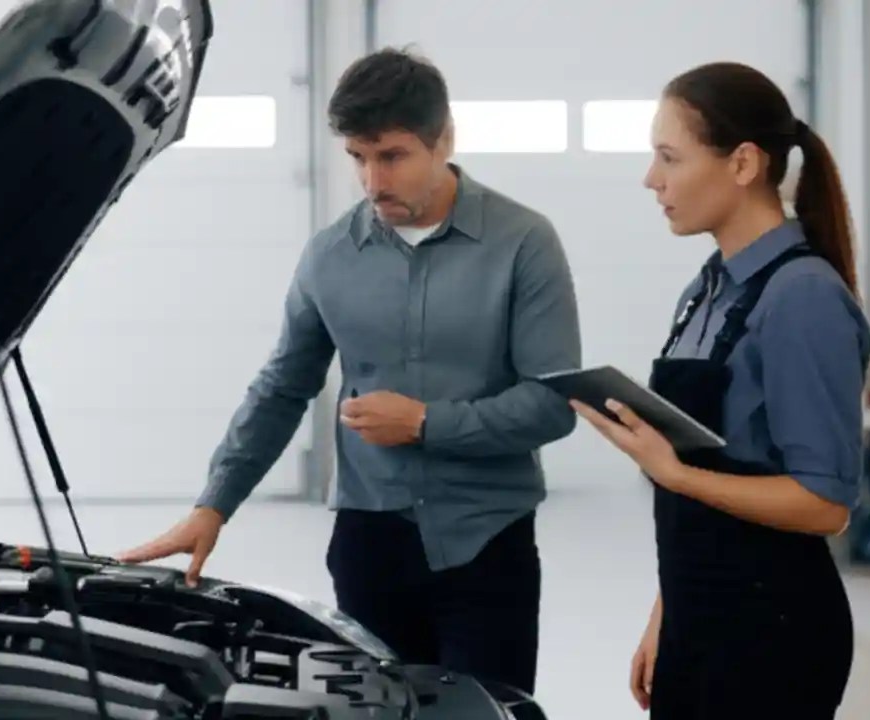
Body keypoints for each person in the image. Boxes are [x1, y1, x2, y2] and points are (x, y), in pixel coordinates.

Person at [117, 47, 581, 696]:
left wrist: (424, 422)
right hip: (369, 546)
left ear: (444, 138)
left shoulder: (524, 243)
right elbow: (282, 387)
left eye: (391, 155)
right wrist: (213, 504)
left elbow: (554, 404)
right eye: (357, 157)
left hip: (487, 546)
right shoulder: (330, 255)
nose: (371, 180)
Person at [571, 61, 870, 718]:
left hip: (774, 632)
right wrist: (666, 613)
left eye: (669, 157)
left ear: (742, 164)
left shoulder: (803, 299)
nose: (652, 179)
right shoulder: (706, 289)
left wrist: (675, 476)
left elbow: (825, 504)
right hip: (698, 615)